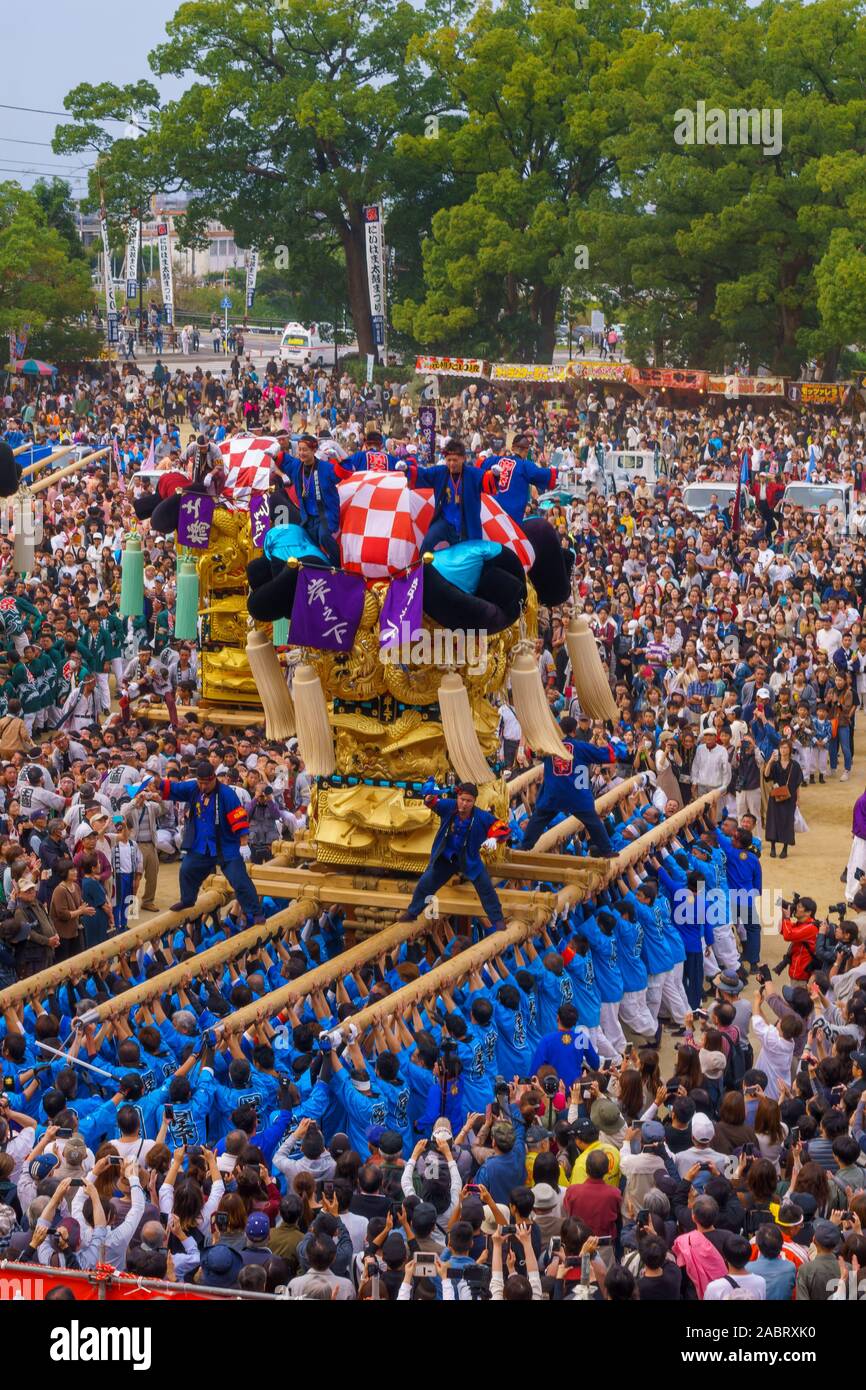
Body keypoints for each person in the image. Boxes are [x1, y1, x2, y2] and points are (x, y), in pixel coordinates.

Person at [159, 760, 262, 924]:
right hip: (201, 845)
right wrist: (157, 783)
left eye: (206, 783)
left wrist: (244, 844)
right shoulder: (194, 788)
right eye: (200, 783)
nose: (203, 787)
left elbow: (239, 818)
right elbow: (175, 788)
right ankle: (188, 899)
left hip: (225, 845)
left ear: (214, 779)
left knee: (239, 880)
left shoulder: (227, 794)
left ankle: (255, 912)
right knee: (186, 870)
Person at [399, 782, 510, 931]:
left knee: (486, 889)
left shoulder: (481, 817)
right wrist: (429, 797)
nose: (464, 804)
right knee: (426, 883)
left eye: (468, 801)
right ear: (457, 797)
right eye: (462, 799)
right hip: (447, 857)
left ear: (474, 802)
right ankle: (412, 912)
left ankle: (498, 920)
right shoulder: (449, 807)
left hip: (469, 859)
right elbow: (433, 803)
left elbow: (502, 827)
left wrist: (494, 838)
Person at [519, 717, 626, 856]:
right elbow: (610, 756)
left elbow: (532, 753)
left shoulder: (549, 747)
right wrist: (606, 742)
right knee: (593, 821)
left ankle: (524, 846)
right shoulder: (581, 746)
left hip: (554, 794)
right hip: (576, 795)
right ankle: (606, 850)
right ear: (573, 731)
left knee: (538, 818)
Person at [764, 740, 803, 859]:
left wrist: (798, 799)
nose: (783, 750)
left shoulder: (795, 765)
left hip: (789, 798)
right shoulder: (775, 764)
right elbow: (766, 775)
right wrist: (770, 761)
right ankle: (773, 847)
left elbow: (797, 784)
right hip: (775, 797)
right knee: (773, 821)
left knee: (787, 822)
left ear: (790, 749)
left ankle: (785, 848)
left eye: (786, 748)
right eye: (781, 748)